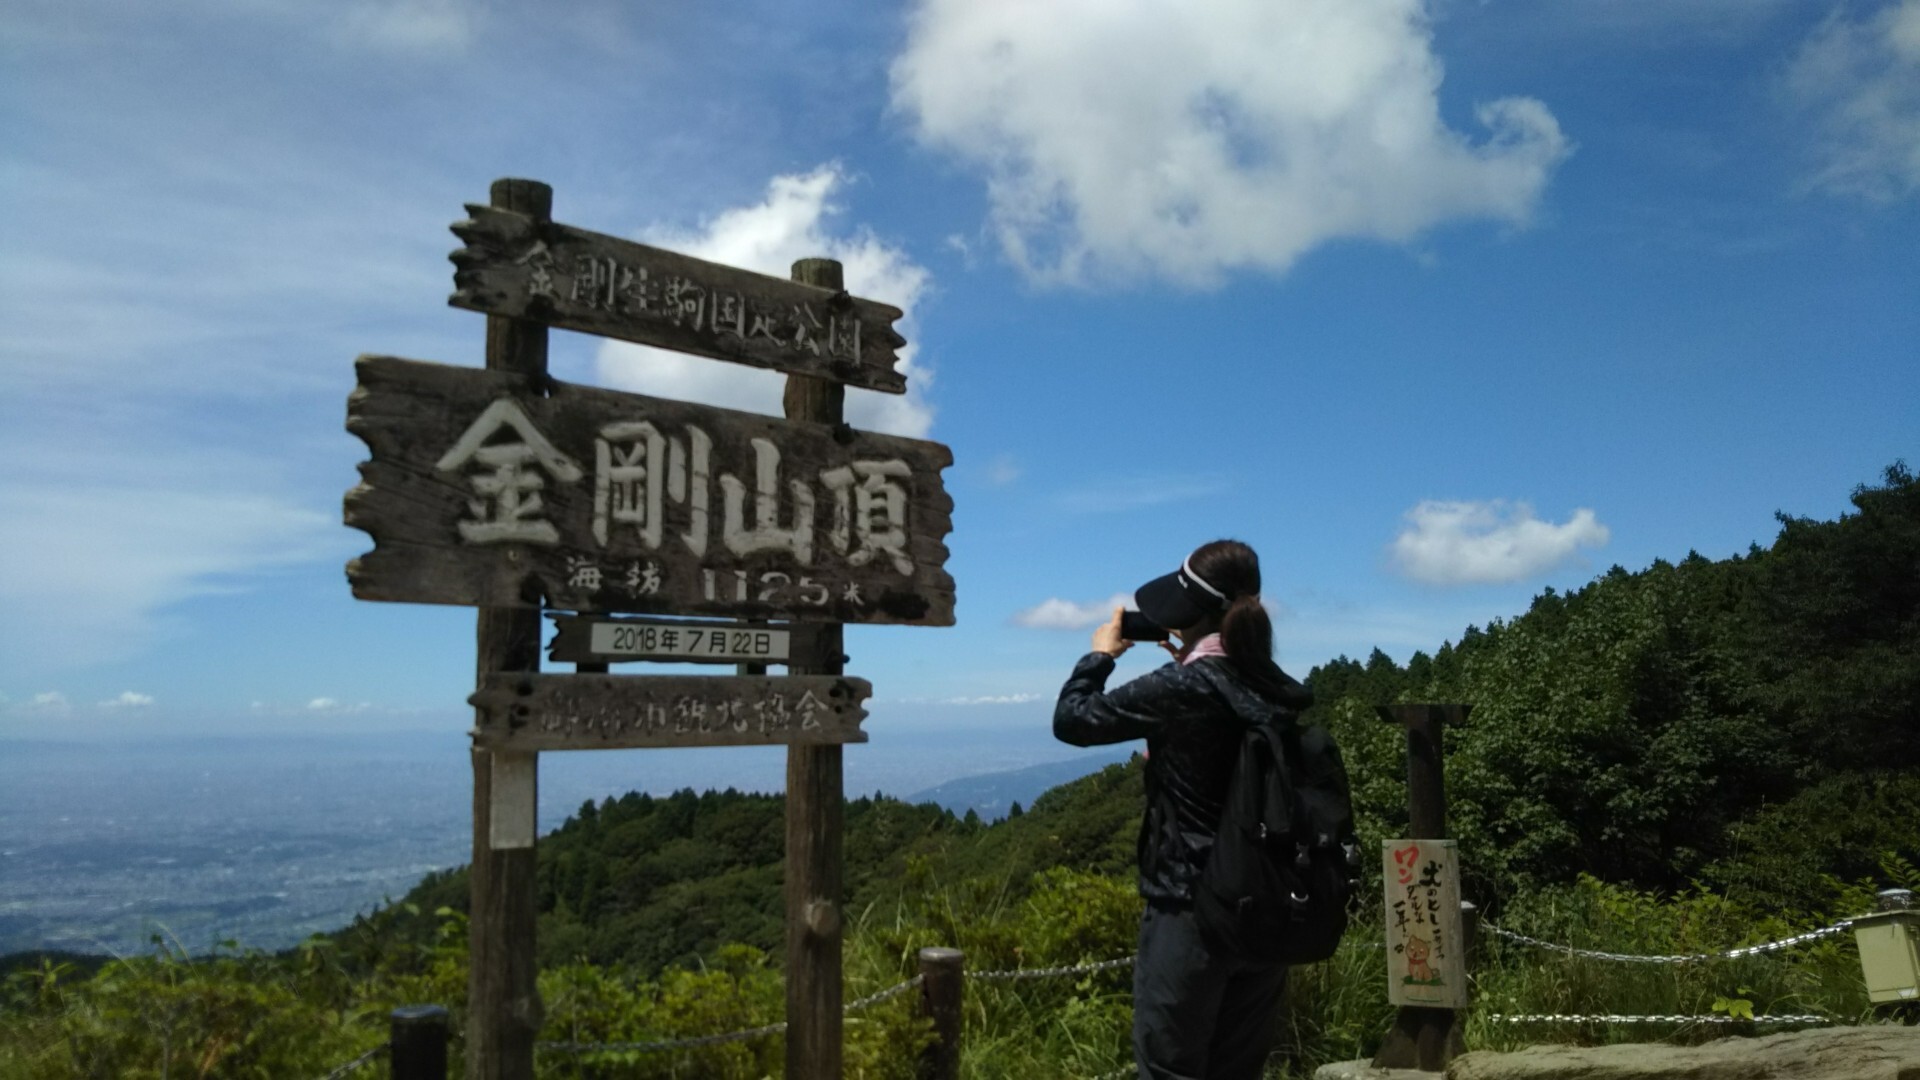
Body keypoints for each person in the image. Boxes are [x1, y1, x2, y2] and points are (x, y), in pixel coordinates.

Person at [1053, 539, 1313, 1080]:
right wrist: (1190, 664)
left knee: (1171, 1069)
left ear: (1191, 613)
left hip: (1188, 906)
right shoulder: (1275, 685)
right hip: (1264, 908)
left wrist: (1100, 654)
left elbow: (1073, 719)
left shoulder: (1185, 686)